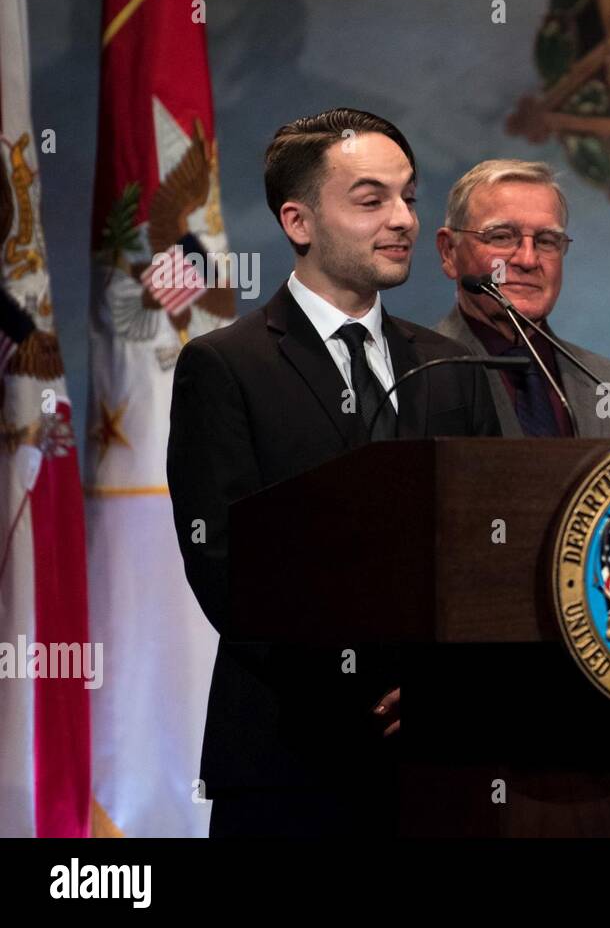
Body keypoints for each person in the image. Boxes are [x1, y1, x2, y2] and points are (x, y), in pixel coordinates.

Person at [167, 108, 500, 836]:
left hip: (439, 762)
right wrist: (360, 685)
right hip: (290, 764)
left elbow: (486, 553)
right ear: (299, 221)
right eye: (371, 199)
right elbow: (225, 563)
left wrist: (441, 688)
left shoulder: (454, 370)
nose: (404, 220)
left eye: (409, 197)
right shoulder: (225, 366)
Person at [434, 159, 610, 437]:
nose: (528, 260)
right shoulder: (414, 375)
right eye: (502, 237)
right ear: (449, 252)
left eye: (546, 241)